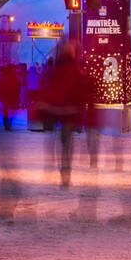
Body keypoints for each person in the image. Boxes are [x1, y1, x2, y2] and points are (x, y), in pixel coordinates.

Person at [35, 40, 89, 188]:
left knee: (57, 141)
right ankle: (65, 172)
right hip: (68, 110)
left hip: (56, 109)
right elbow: (81, 90)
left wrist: (44, 104)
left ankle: (57, 168)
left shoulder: (56, 68)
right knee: (66, 143)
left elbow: (48, 86)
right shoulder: (75, 69)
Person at [0, 62, 21, 130]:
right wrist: (17, 94)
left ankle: (5, 123)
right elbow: (17, 85)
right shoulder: (14, 75)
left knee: (5, 109)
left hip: (5, 95)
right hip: (11, 95)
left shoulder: (3, 75)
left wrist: (0, 94)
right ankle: (9, 123)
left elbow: (0, 85)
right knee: (11, 109)